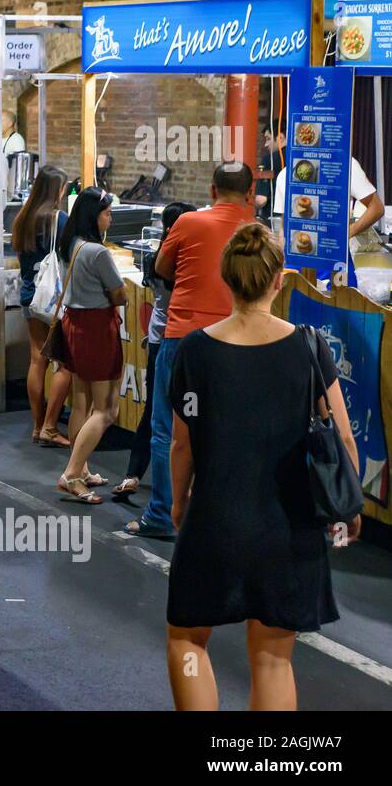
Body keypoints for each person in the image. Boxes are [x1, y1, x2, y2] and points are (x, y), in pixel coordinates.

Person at [165, 223, 360, 710]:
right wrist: (347, 505)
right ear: (279, 281)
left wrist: (179, 502)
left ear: (226, 278)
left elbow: (181, 444)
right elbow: (343, 438)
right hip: (289, 531)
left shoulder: (194, 351)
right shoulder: (310, 348)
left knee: (187, 642)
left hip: (214, 521)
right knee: (273, 661)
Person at [133, 162, 256, 538]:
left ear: (212, 190)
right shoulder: (257, 233)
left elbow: (162, 267)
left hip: (183, 337)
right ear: (250, 194)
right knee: (224, 429)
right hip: (234, 341)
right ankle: (218, 514)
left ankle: (161, 515)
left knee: (167, 428)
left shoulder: (188, 223)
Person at [114, 202, 196, 498]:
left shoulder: (157, 256)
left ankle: (133, 474)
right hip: (180, 340)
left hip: (158, 338)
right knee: (187, 414)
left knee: (153, 411)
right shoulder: (186, 259)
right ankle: (181, 487)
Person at [53, 187, 126, 504]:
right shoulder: (98, 253)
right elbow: (120, 294)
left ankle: (81, 468)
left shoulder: (71, 244)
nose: (110, 218)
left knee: (80, 404)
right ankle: (71, 474)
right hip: (97, 329)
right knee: (107, 410)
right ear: (93, 216)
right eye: (107, 213)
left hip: (75, 326)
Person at [11, 165, 72, 447]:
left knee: (37, 360)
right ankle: (50, 425)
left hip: (29, 295)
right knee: (65, 362)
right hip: (53, 299)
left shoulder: (23, 217)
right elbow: (71, 254)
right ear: (57, 190)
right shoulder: (58, 219)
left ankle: (36, 426)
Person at [272, 155, 384, 288]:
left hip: (333, 256)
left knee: (342, 305)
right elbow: (285, 227)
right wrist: (280, 261)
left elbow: (376, 208)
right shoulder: (285, 174)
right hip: (296, 260)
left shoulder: (345, 164)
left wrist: (346, 234)